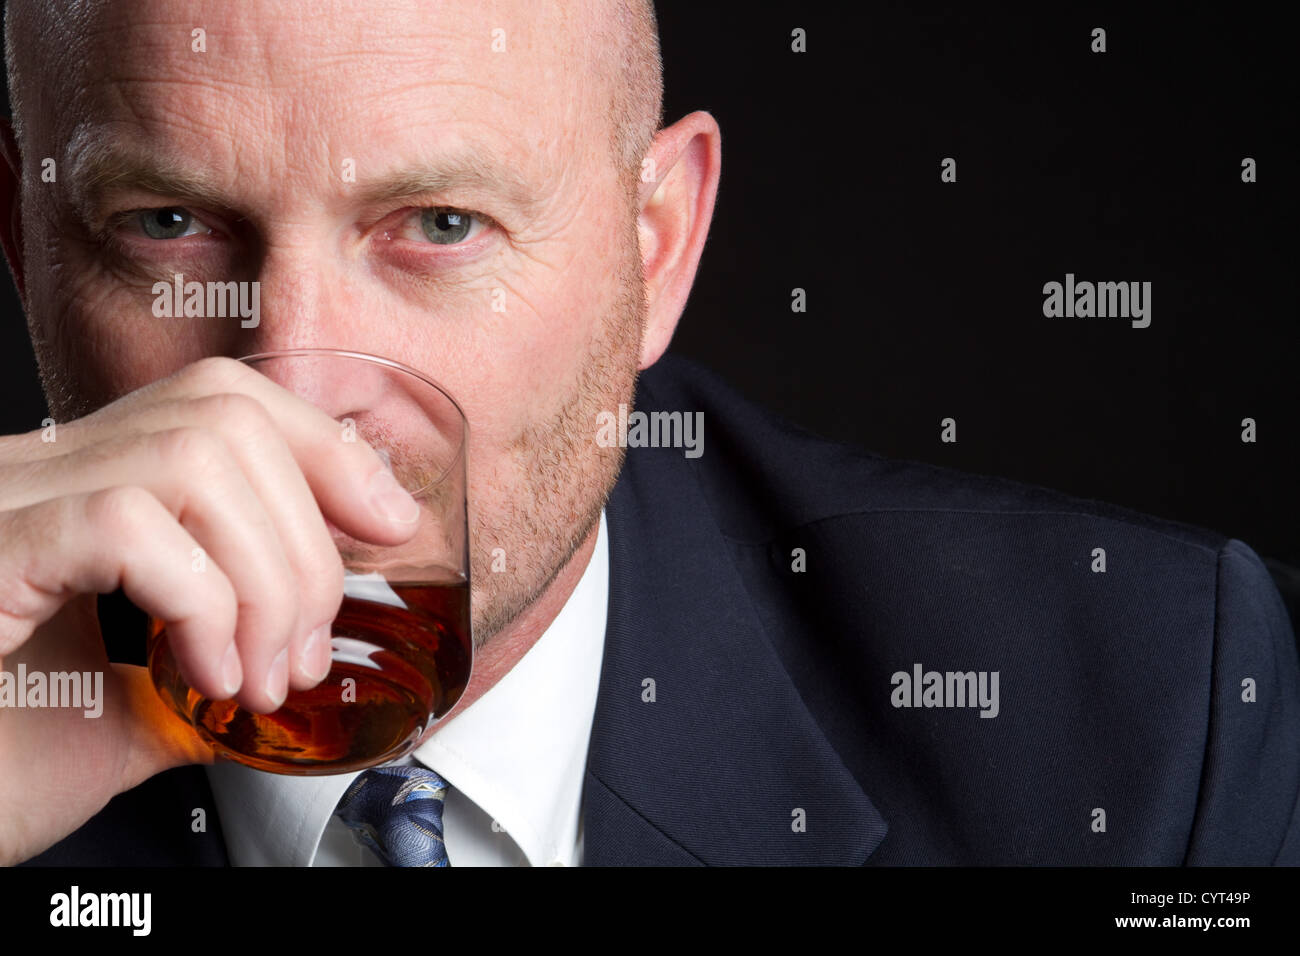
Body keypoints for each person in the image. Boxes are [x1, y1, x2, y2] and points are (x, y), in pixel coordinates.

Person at [1, 0, 1296, 867]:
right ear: (21, 248)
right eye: (167, 225)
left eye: (442, 225)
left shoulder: (1152, 720)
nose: (293, 389)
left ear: (657, 249)